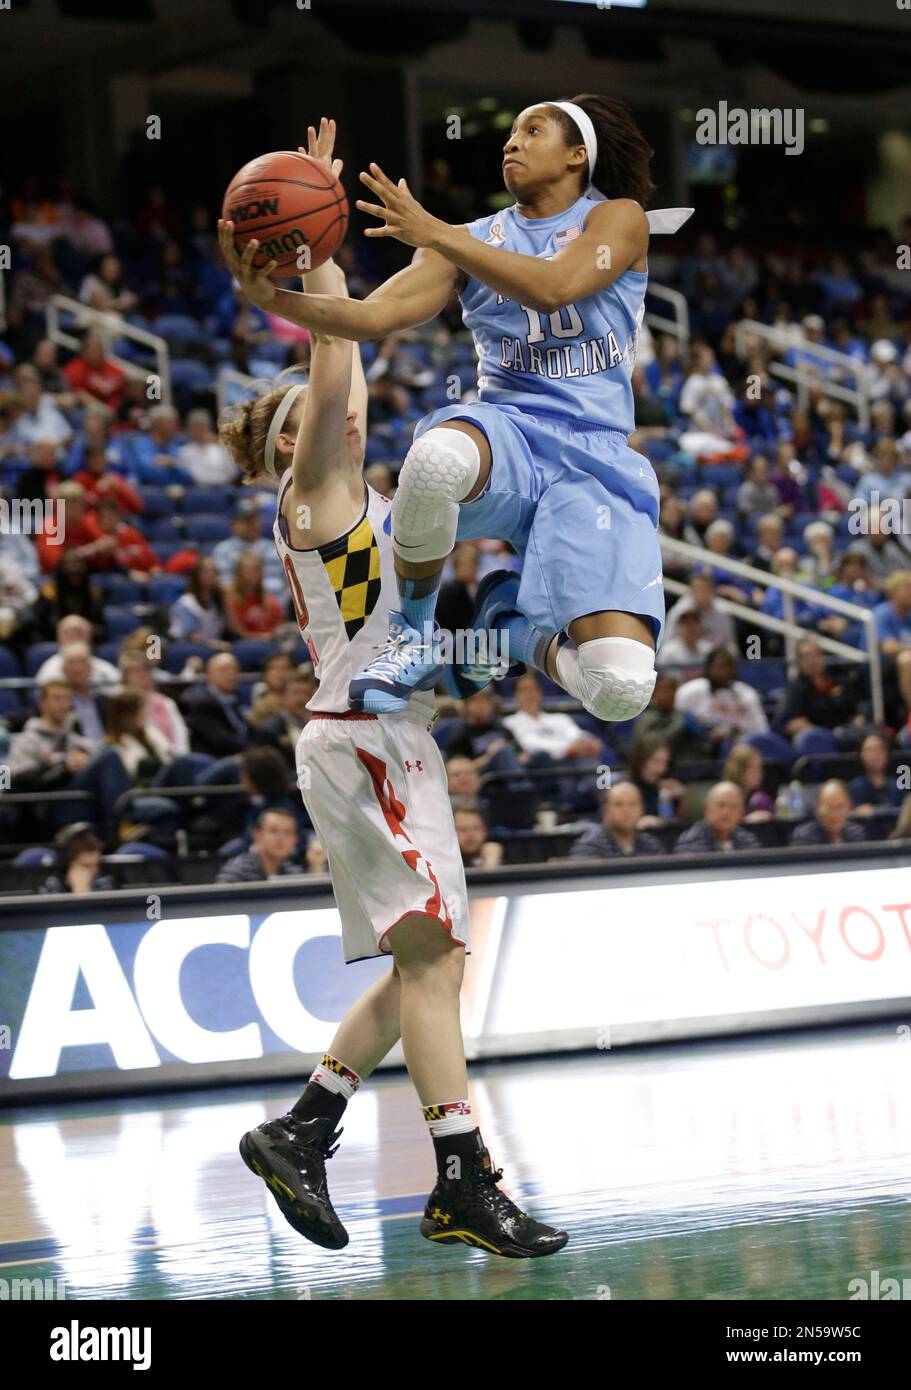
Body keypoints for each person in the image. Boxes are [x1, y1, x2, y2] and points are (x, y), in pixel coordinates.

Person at [218, 118, 563, 1261]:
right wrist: (309, 238)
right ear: (283, 450)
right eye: (304, 420)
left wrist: (318, 208)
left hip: (380, 737)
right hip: (360, 737)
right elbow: (329, 362)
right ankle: (460, 1173)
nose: (335, 410)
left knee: (434, 960)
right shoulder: (310, 491)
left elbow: (348, 348)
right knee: (435, 958)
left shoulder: (358, 493)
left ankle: (303, 1127)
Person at [221, 100, 694, 728]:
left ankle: (512, 632)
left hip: (596, 460)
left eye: (533, 131)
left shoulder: (617, 219)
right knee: (438, 459)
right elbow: (368, 319)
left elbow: (553, 286)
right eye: (511, 133)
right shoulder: (467, 240)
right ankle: (414, 637)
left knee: (619, 691)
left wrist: (439, 233)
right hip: (510, 433)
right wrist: (270, 296)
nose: (512, 143)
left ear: (578, 155)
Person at [9, 680, 96, 792]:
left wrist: (87, 763)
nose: (64, 704)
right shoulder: (26, 741)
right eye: (57, 698)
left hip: (81, 800)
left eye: (67, 699)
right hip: (46, 803)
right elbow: (18, 783)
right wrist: (64, 769)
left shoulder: (80, 742)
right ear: (42, 703)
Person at [502, 670, 602, 761]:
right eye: (524, 689)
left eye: (534, 688)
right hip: (543, 769)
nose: (530, 694)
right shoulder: (510, 723)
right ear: (515, 695)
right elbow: (529, 745)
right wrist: (568, 748)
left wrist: (589, 742)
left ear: (540, 693)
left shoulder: (560, 718)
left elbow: (577, 735)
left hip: (574, 761)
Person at [676, 647, 769, 740]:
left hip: (744, 745)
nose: (724, 670)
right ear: (708, 667)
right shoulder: (691, 690)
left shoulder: (746, 692)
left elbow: (761, 728)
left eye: (728, 666)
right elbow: (678, 721)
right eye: (720, 665)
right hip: (704, 745)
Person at [212, 496, 286, 598]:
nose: (251, 524)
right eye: (245, 521)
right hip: (242, 606)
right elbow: (225, 585)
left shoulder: (276, 548)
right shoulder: (223, 550)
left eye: (254, 519)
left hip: (278, 606)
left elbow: (288, 582)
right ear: (234, 524)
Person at [181, 651, 251, 758]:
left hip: (240, 755)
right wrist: (253, 748)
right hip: (215, 760)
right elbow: (220, 740)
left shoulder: (234, 699)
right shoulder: (201, 703)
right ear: (209, 675)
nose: (231, 674)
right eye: (224, 670)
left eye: (234, 669)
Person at [569, 780, 663, 858]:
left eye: (633, 804)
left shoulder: (651, 846)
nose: (627, 810)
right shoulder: (589, 847)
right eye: (619, 804)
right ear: (606, 811)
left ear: (642, 809)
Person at [216, 808, 305, 883]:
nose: (280, 838)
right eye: (273, 831)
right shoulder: (237, 872)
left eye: (287, 832)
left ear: (295, 840)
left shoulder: (294, 874)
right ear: (257, 835)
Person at [673, 782, 761, 854]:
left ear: (741, 813)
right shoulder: (690, 842)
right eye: (721, 805)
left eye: (733, 806)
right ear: (706, 809)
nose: (726, 812)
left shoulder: (748, 840)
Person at [34, 614, 120, 688]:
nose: (74, 637)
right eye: (68, 633)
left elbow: (118, 692)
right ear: (58, 638)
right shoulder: (49, 670)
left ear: (90, 637)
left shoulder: (104, 669)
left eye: (79, 632)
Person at [39, 823, 116, 895]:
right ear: (67, 865)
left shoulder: (103, 883)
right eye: (87, 866)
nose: (95, 870)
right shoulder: (52, 886)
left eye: (97, 865)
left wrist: (83, 890)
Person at [168, 557, 229, 647]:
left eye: (214, 571)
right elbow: (190, 635)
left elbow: (230, 627)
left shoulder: (216, 601)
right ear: (196, 575)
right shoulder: (187, 603)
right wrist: (213, 644)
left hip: (211, 646)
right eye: (207, 571)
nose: (212, 575)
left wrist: (226, 595)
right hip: (186, 647)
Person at [224, 552, 286, 637]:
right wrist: (264, 637)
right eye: (248, 570)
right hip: (245, 644)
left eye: (257, 569)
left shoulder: (270, 600)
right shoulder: (231, 599)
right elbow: (239, 633)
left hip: (271, 642)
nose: (253, 573)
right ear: (239, 573)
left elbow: (280, 625)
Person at [789, 780, 867, 846]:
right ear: (817, 809)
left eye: (839, 807)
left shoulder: (856, 834)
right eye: (828, 808)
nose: (834, 814)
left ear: (849, 808)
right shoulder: (804, 838)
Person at [177, 408, 238, 485]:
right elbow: (188, 477)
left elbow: (233, 473)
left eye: (203, 427)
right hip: (198, 490)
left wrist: (222, 445)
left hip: (223, 489)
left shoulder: (219, 449)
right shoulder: (183, 451)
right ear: (190, 430)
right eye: (197, 428)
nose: (200, 431)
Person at [847, 733, 902, 814]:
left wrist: (874, 811)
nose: (875, 754)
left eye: (879, 749)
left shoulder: (898, 787)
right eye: (869, 750)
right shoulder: (854, 788)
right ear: (861, 755)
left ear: (887, 754)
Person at [722, 743, 774, 819]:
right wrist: (747, 821)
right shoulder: (723, 796)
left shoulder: (762, 799)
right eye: (751, 768)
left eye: (759, 767)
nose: (758, 773)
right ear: (738, 770)